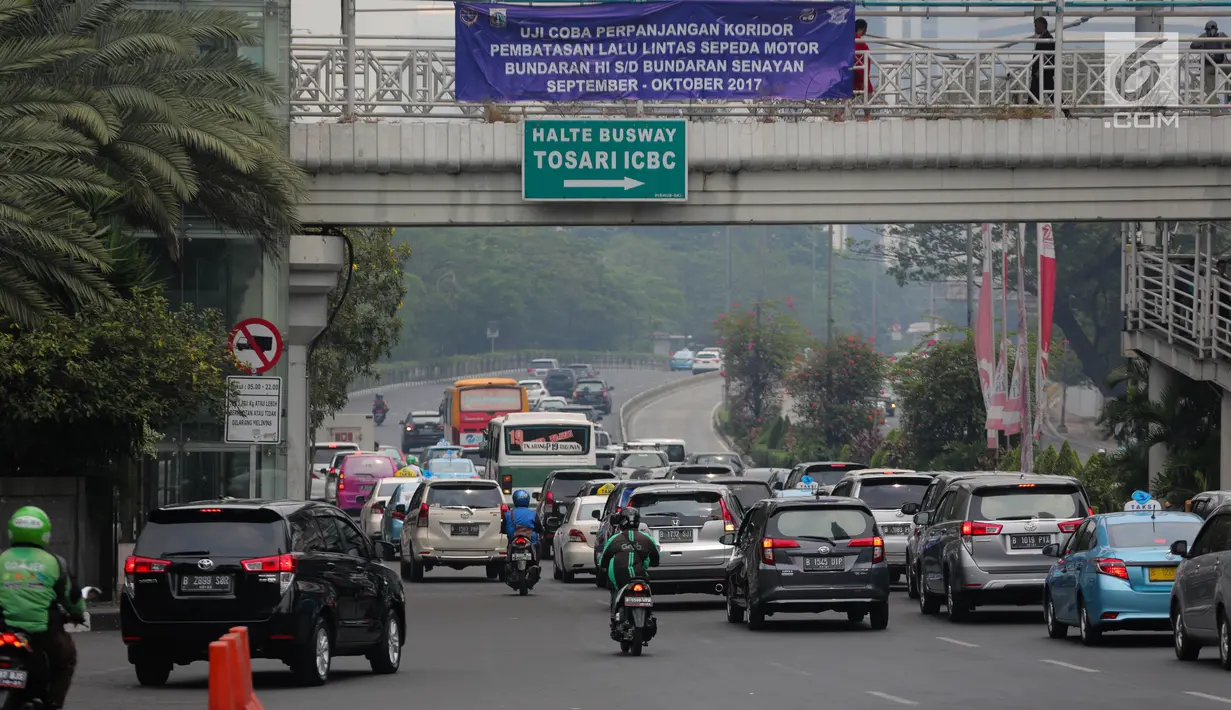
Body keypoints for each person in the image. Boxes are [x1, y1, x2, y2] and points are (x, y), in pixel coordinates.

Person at [0, 507, 85, 710]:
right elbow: (72, 597)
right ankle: (53, 704)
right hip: (42, 632)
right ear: (45, 533)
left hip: (3, 628)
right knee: (67, 659)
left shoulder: (1, 559)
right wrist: (77, 614)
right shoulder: (56, 563)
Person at [597, 507, 660, 623]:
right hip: (641, 576)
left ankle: (614, 615)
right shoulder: (647, 539)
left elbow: (603, 561)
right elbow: (656, 559)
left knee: (615, 590)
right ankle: (649, 614)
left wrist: (604, 569)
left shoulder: (614, 539)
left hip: (619, 578)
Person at [1193, 21, 1227, 105]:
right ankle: (1214, 105)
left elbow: (1193, 45)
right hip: (1216, 65)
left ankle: (1214, 106)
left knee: (1210, 88)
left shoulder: (1204, 36)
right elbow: (1193, 45)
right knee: (1210, 88)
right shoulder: (1221, 35)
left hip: (1212, 65)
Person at [503, 490, 543, 560]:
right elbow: (538, 527)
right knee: (538, 545)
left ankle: (508, 560)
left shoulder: (508, 514)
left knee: (508, 546)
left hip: (512, 537)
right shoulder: (533, 513)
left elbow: (503, 528)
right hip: (530, 538)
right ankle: (536, 562)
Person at [1030, 17, 1055, 105]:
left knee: (1035, 94)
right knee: (1035, 93)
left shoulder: (1048, 38)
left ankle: (1065, 110)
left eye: (1036, 25)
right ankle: (1065, 110)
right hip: (1041, 71)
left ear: (1042, 25)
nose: (1035, 28)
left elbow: (1048, 55)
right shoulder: (1044, 38)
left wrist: (1040, 69)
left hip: (1043, 72)